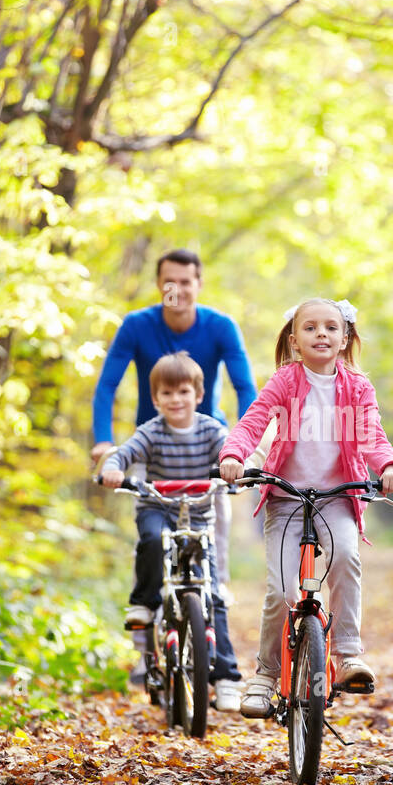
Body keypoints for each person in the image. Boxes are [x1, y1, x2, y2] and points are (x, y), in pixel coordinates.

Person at [218, 298, 393, 718]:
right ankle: (265, 676)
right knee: (282, 592)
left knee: (345, 558)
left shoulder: (357, 388)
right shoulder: (286, 381)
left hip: (337, 498)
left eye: (330, 328)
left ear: (344, 340)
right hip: (285, 499)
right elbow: (254, 420)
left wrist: (389, 466)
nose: (321, 333)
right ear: (294, 340)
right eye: (310, 328)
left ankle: (348, 655)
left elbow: (372, 435)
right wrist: (234, 455)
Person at [91, 248, 256, 683]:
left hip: (209, 451)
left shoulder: (220, 327)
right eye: (169, 281)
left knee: (212, 550)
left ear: (199, 284)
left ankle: (217, 654)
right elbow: (107, 384)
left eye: (186, 281)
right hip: (152, 449)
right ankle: (146, 657)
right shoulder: (137, 326)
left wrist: (247, 447)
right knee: (151, 542)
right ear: (158, 284)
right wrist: (105, 443)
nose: (177, 290)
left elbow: (245, 388)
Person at [100, 353, 243, 712]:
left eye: (183, 391)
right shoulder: (152, 431)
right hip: (159, 509)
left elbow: (234, 454)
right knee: (150, 540)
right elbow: (124, 453)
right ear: (155, 399)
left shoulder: (211, 430)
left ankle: (226, 676)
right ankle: (145, 604)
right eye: (167, 393)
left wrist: (237, 468)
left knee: (212, 594)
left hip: (198, 515)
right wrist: (113, 468)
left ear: (198, 394)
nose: (175, 399)